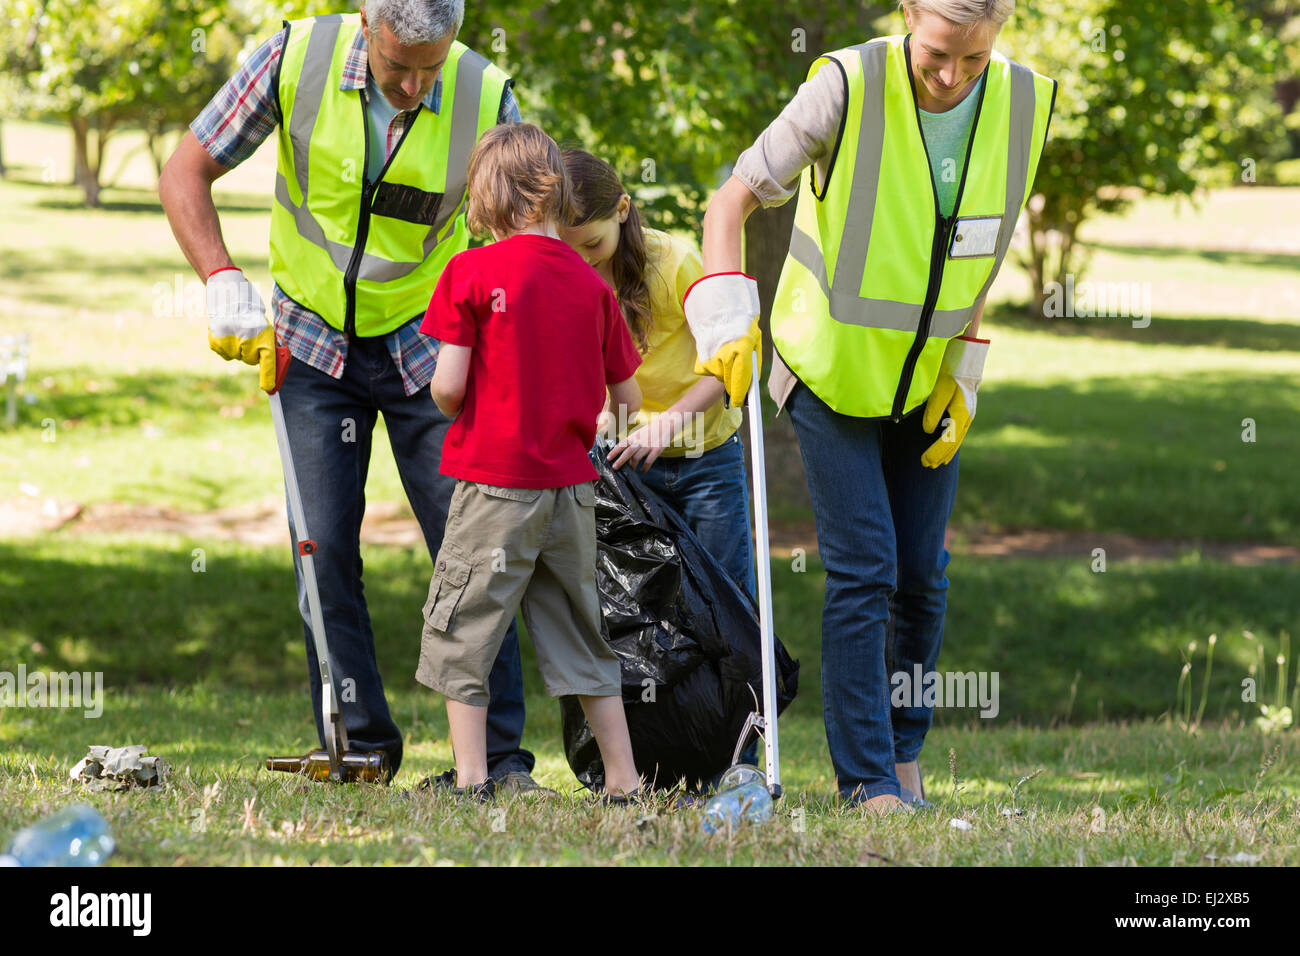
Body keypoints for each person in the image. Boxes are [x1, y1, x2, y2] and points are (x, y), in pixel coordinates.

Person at [158, 0, 544, 792]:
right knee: (321, 546)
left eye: (428, 68)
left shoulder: (485, 94)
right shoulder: (294, 58)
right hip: (311, 342)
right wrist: (222, 277)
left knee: (474, 548)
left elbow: (529, 241)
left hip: (433, 348)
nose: (411, 85)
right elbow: (184, 169)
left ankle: (500, 762)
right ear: (366, 20)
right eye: (397, 63)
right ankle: (359, 744)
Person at [687, 0, 1056, 813]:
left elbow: (978, 251)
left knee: (924, 579)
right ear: (906, 17)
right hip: (831, 370)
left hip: (925, 381)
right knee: (867, 571)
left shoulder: (1026, 104)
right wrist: (722, 323)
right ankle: (865, 783)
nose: (950, 77)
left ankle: (903, 758)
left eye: (971, 58)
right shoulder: (846, 84)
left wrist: (966, 372)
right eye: (934, 55)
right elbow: (729, 204)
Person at [416, 123, 644, 801]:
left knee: (465, 629)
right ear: (558, 196)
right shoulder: (591, 285)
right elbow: (627, 399)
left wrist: (447, 395)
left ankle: (473, 777)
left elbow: (449, 389)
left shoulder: (470, 272)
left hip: (494, 487)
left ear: (486, 199)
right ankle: (624, 780)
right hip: (570, 492)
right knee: (582, 635)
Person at [558, 149, 757, 600]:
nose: (584, 261)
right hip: (629, 463)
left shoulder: (676, 262)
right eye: (570, 249)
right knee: (649, 609)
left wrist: (667, 424)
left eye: (593, 244)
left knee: (726, 600)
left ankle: (737, 676)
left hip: (705, 458)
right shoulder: (569, 277)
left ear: (623, 209)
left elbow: (727, 367)